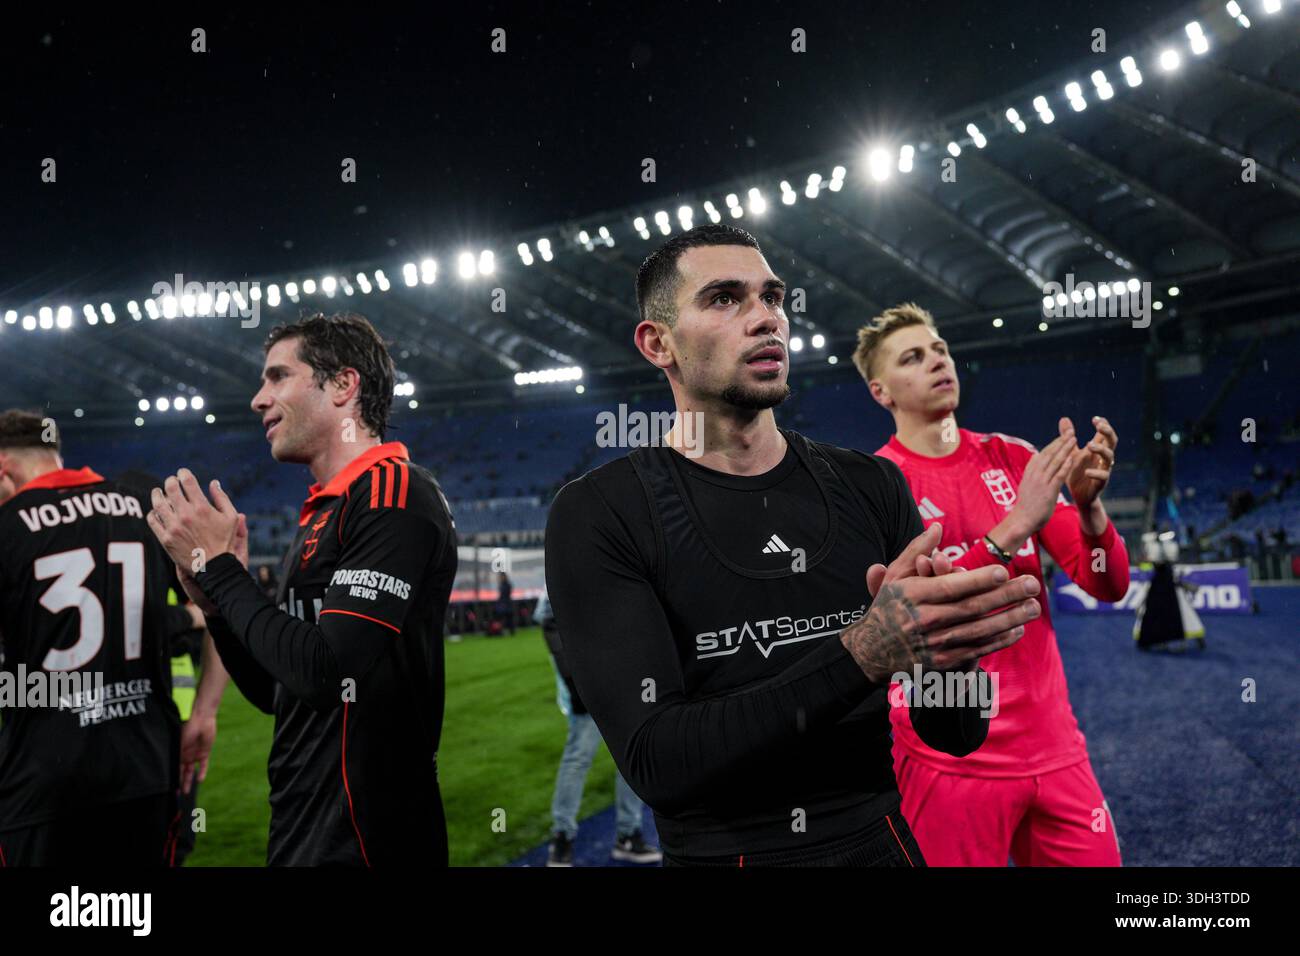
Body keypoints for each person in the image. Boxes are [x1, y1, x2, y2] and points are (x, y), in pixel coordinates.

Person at [546, 225, 1041, 866]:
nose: (765, 320)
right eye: (725, 299)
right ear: (657, 343)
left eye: (772, 298)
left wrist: (952, 654)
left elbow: (954, 734)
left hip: (883, 846)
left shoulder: (871, 485)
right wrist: (863, 652)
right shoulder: (602, 512)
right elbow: (658, 762)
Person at [147, 312, 458, 866]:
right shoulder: (324, 510)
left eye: (277, 377)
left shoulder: (394, 491)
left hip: (366, 841)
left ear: (343, 385)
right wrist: (217, 607)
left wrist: (223, 568)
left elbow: (326, 671)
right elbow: (280, 690)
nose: (258, 399)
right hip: (303, 829)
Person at [854, 302, 1130, 866]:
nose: (937, 362)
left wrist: (1090, 510)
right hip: (948, 756)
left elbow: (1108, 585)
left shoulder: (1012, 457)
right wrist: (1012, 529)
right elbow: (912, 615)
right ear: (882, 392)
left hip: (1055, 746)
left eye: (939, 349)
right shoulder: (876, 485)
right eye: (913, 357)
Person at [0, 411, 216, 865]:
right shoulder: (144, 507)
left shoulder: (9, 528)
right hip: (148, 770)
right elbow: (225, 603)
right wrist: (204, 712)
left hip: (42, 783)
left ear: (3, 466)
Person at [535, 589, 661, 866]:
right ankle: (563, 837)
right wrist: (575, 680)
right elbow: (550, 619)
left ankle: (628, 834)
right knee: (579, 757)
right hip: (591, 683)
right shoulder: (570, 551)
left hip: (622, 678)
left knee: (631, 756)